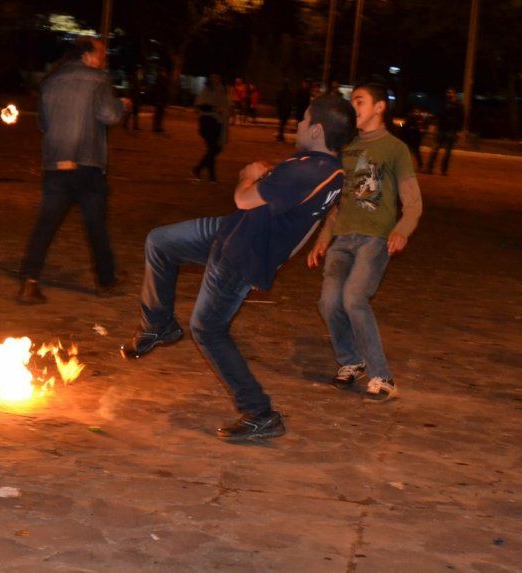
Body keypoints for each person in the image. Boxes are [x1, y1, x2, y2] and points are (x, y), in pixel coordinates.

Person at [120, 94, 356, 441]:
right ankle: (158, 325)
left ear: (318, 130)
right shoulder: (328, 169)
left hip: (241, 254)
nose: (298, 124)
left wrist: (249, 175)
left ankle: (260, 413)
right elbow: (293, 202)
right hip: (230, 232)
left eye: (304, 120)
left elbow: (244, 198)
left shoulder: (307, 170)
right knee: (160, 242)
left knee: (208, 329)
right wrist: (270, 172)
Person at [307, 81, 423, 402]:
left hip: (374, 240)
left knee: (354, 298)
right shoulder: (347, 147)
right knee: (329, 301)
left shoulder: (395, 149)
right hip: (342, 238)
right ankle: (350, 361)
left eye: (359, 101)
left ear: (379, 107)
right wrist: (323, 239)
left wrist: (403, 228)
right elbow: (339, 202)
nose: (352, 107)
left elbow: (413, 201)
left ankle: (382, 376)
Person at [18, 37, 127, 304]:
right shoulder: (98, 80)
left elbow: (43, 124)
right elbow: (110, 115)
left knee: (45, 225)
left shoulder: (50, 82)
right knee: (96, 225)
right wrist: (122, 105)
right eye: (101, 53)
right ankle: (105, 280)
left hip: (56, 163)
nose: (103, 58)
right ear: (88, 55)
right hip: (87, 162)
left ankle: (29, 282)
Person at [192, 74, 229, 182]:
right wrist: (214, 108)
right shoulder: (206, 90)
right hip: (207, 122)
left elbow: (225, 105)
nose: (215, 79)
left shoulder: (222, 91)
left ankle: (203, 171)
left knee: (215, 149)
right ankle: (207, 173)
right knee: (213, 149)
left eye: (217, 77)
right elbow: (200, 105)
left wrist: (226, 111)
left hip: (218, 123)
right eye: (213, 77)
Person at [425, 87, 463, 175]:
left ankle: (443, 170)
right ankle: (430, 168)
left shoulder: (458, 105)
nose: (449, 94)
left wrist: (458, 130)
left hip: (451, 130)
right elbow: (439, 115)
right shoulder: (445, 103)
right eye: (448, 93)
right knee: (436, 149)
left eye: (451, 93)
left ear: (454, 94)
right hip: (442, 129)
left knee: (447, 152)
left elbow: (461, 118)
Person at [400, 106, 426, 170]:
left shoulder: (414, 118)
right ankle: (420, 165)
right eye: (416, 112)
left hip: (412, 137)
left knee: (413, 152)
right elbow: (405, 127)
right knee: (414, 152)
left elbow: (404, 127)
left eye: (417, 112)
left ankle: (419, 165)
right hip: (412, 137)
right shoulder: (419, 118)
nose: (417, 113)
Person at [152, 68, 168, 133]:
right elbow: (163, 88)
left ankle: (158, 127)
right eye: (163, 72)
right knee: (158, 114)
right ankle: (156, 127)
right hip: (160, 99)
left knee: (160, 114)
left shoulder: (161, 79)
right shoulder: (160, 79)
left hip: (161, 99)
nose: (164, 73)